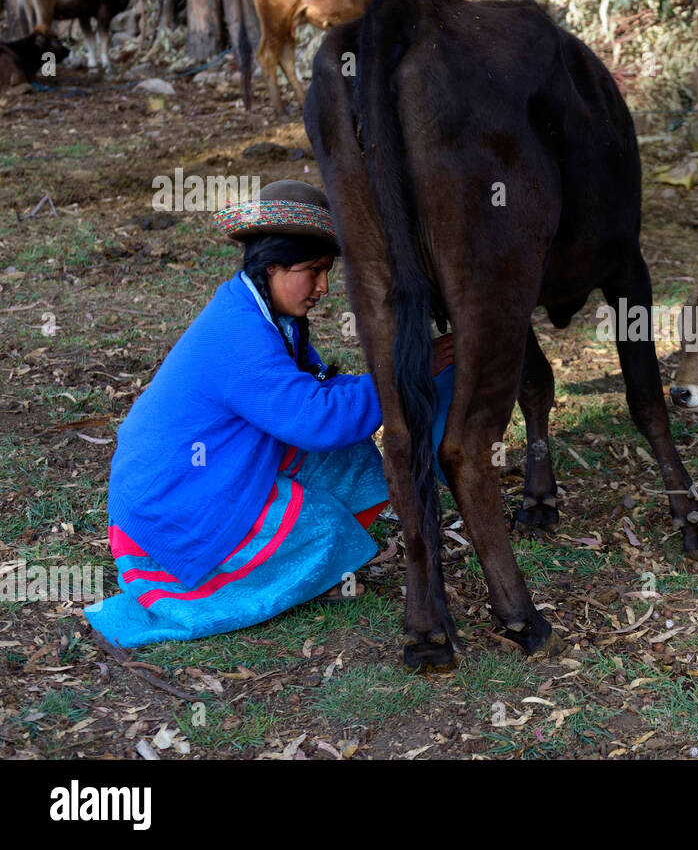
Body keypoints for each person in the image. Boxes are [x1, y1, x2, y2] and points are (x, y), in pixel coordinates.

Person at [85, 181, 455, 647]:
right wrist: (406, 372)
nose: (323, 287)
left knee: (351, 455)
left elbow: (318, 391)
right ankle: (228, 583)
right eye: (314, 270)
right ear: (273, 265)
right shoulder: (239, 333)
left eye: (327, 271)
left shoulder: (264, 315)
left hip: (195, 474)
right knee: (321, 527)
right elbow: (319, 419)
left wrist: (395, 374)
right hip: (171, 506)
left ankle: (293, 564)